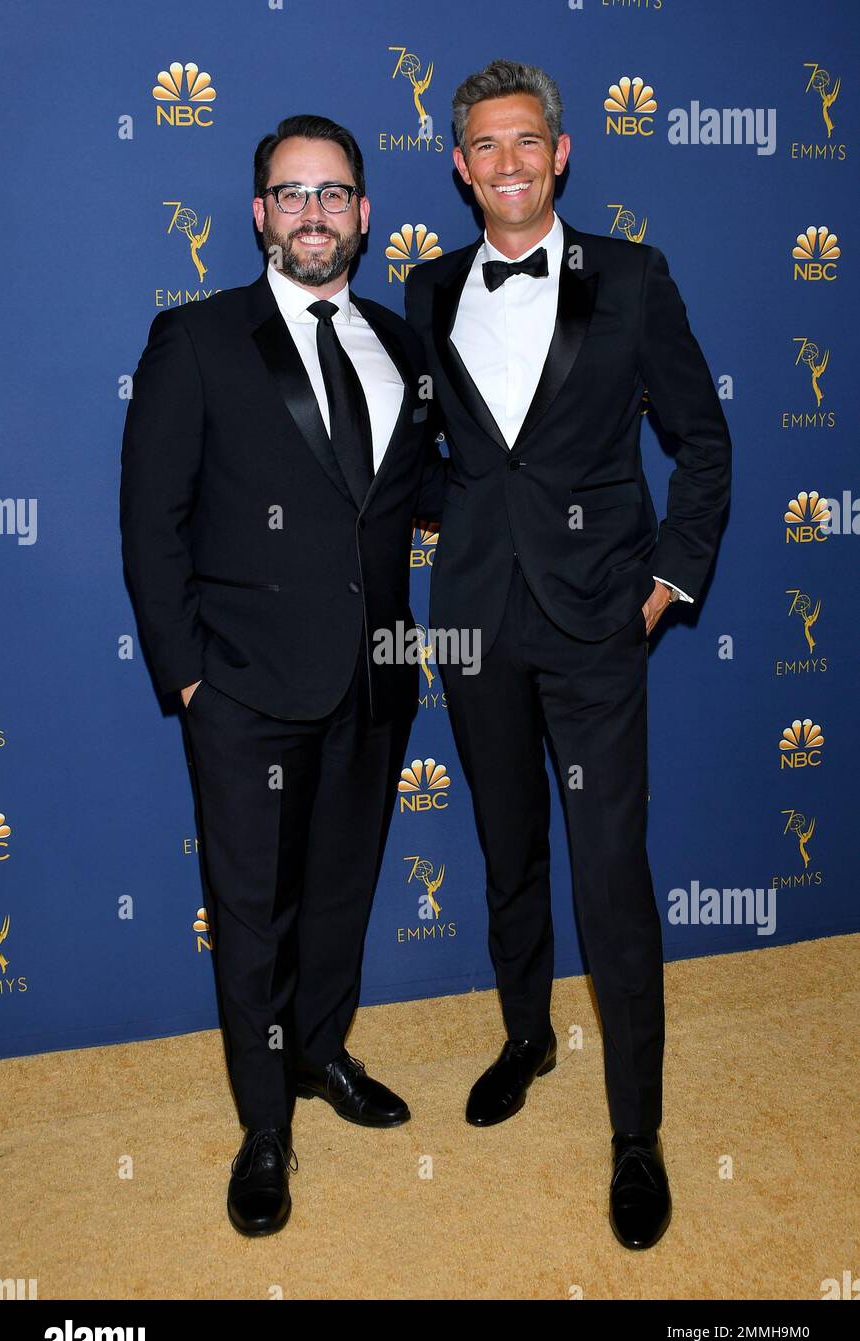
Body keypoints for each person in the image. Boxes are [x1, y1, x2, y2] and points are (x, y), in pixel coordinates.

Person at [404, 59, 731, 1249]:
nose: (504, 163)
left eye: (523, 142)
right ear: (459, 163)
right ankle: (526, 1035)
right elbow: (444, 452)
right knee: (505, 849)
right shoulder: (428, 285)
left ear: (560, 152)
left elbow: (702, 442)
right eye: (482, 146)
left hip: (598, 624)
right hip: (475, 621)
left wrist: (665, 585)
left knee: (607, 871)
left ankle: (634, 1133)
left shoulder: (631, 279)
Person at [120, 114, 441, 1237]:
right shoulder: (197, 339)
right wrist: (191, 682)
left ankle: (319, 1053)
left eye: (334, 193)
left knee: (341, 893)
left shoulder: (401, 346)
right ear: (258, 214)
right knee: (252, 914)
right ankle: (265, 1126)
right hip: (244, 689)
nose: (314, 212)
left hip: (374, 682)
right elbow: (151, 523)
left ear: (364, 213)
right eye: (291, 193)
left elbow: (426, 493)